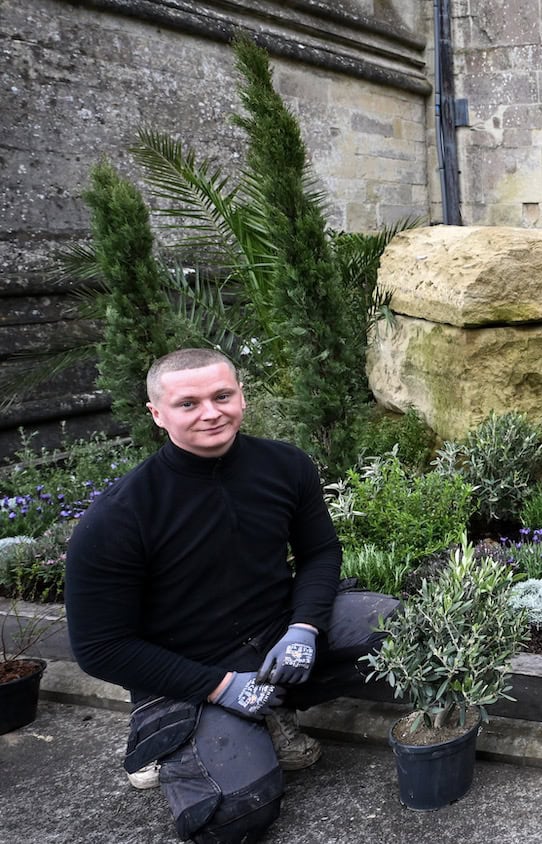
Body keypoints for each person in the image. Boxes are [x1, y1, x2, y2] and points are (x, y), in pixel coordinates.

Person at [65, 348, 398, 843]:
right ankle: (175, 743)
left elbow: (320, 552)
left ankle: (273, 710)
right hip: (188, 667)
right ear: (157, 414)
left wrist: (304, 627)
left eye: (222, 396)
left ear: (241, 397)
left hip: (276, 631)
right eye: (188, 403)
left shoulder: (285, 465)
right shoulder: (119, 516)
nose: (211, 413)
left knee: (405, 627)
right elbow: (100, 647)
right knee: (236, 818)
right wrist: (221, 687)